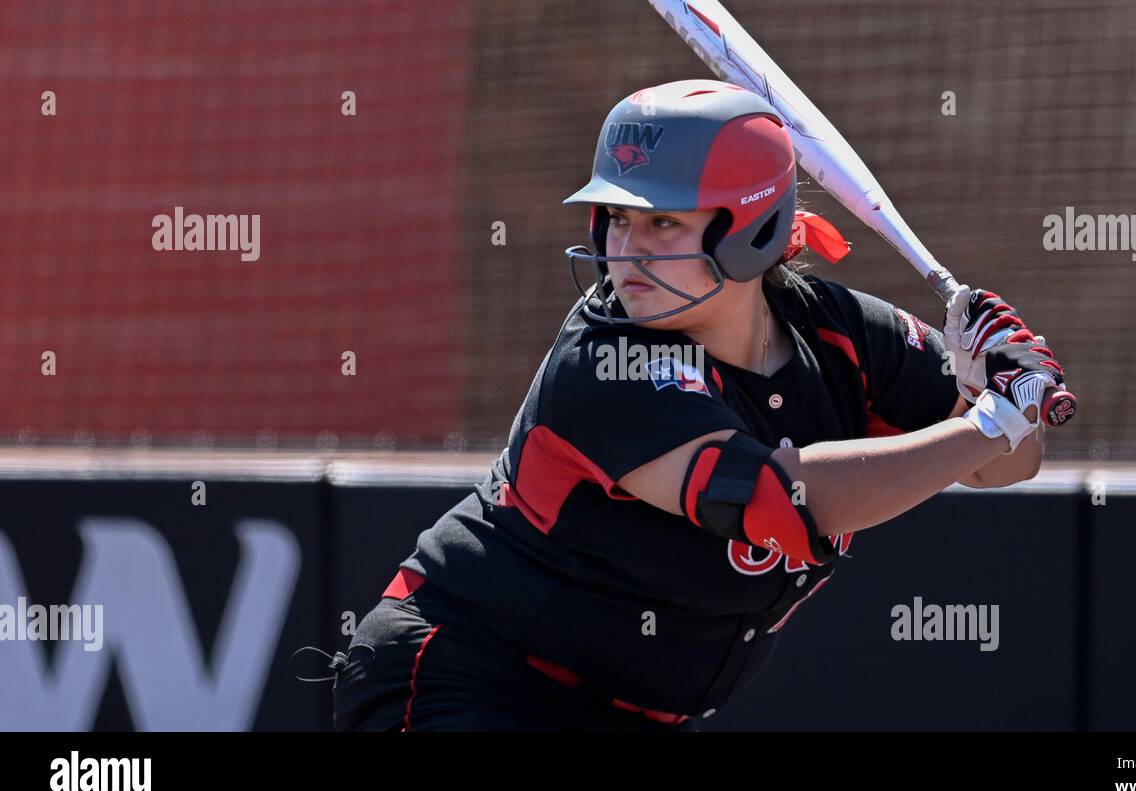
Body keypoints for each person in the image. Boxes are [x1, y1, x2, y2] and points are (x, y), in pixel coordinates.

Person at [330, 79, 1068, 732]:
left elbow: (1007, 465)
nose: (628, 251)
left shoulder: (841, 335)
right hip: (466, 675)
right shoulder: (604, 362)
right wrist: (988, 421)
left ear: (752, 233)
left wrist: (998, 393)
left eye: (664, 224)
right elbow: (783, 502)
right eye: (618, 220)